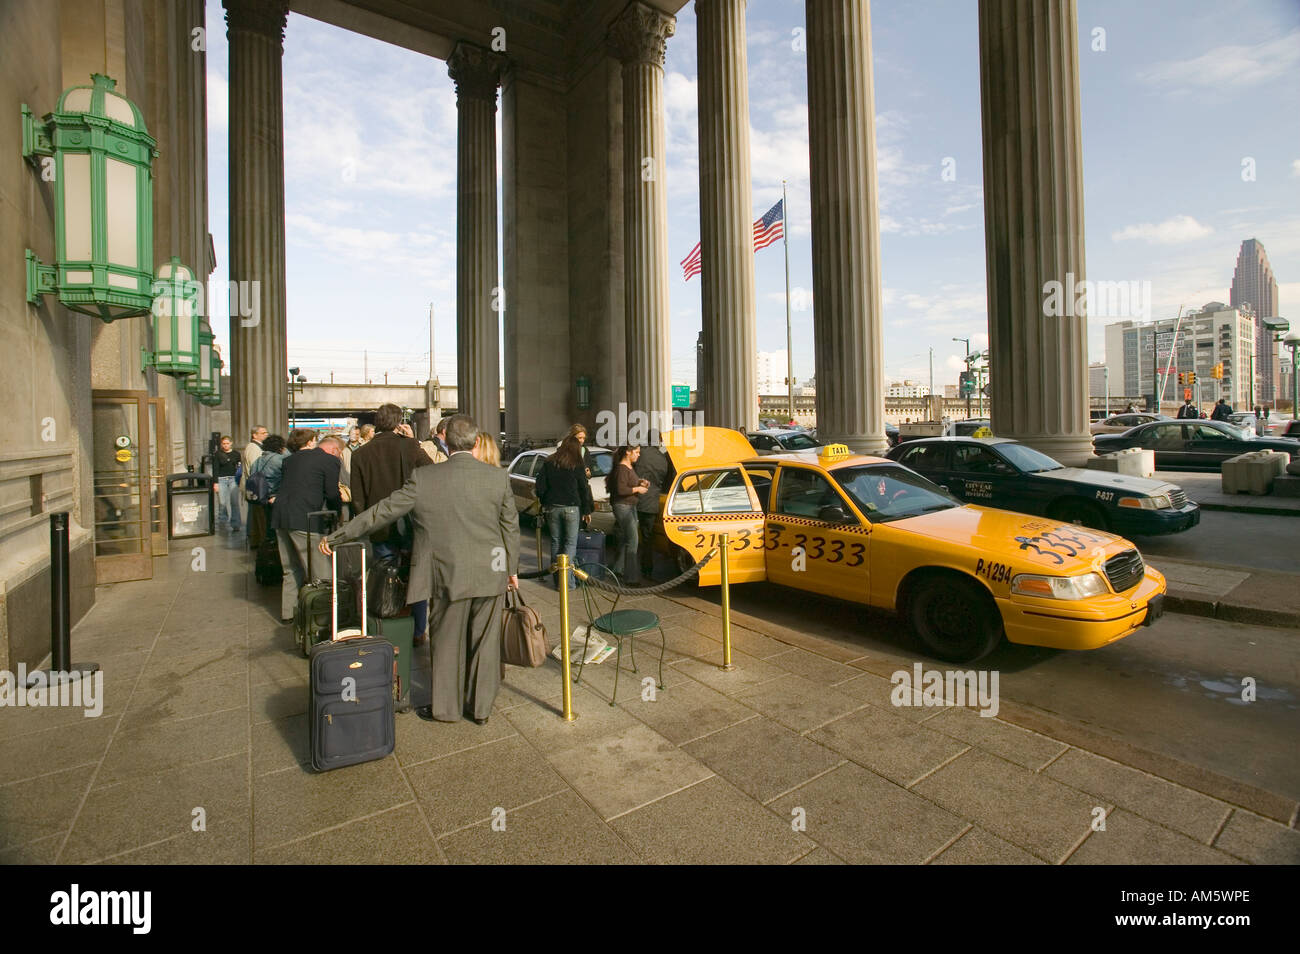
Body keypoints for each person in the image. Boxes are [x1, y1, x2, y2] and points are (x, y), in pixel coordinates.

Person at [319, 414, 518, 725]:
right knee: (485, 643)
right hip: (490, 572)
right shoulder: (497, 478)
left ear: (446, 443)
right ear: (476, 442)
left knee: (446, 643)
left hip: (444, 575)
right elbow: (510, 528)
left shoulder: (425, 479)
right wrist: (511, 569)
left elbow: (381, 512)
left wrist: (337, 536)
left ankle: (447, 709)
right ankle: (480, 709)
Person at [351, 403, 431, 642]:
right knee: (415, 577)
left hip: (380, 526)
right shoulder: (410, 447)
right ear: (399, 423)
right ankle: (417, 631)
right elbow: (433, 472)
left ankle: (389, 624)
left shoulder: (360, 454)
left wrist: (369, 522)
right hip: (412, 523)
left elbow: (357, 499)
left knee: (384, 574)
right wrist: (413, 441)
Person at [270, 428, 342, 624]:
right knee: (320, 571)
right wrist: (339, 515)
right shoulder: (330, 461)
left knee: (290, 568)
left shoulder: (288, 460)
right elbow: (332, 493)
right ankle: (324, 618)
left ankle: (289, 613)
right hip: (305, 519)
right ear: (335, 450)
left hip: (280, 516)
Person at [536, 436, 592, 589]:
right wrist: (586, 510)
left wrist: (544, 500)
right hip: (572, 507)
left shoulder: (549, 462)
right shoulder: (577, 464)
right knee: (570, 544)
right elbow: (583, 488)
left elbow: (540, 486)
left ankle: (557, 580)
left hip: (552, 507)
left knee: (556, 542)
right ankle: (567, 583)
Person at [607, 446, 648, 584]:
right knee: (633, 541)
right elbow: (621, 489)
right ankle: (631, 577)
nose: (638, 455)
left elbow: (626, 484)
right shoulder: (622, 468)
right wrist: (638, 488)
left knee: (627, 539)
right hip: (624, 506)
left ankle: (618, 569)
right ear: (628, 452)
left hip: (629, 506)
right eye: (636, 452)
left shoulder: (628, 467)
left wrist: (640, 483)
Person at [633, 442, 668, 581]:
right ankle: (647, 568)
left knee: (633, 536)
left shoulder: (640, 454)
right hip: (653, 500)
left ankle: (630, 567)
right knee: (648, 536)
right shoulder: (662, 458)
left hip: (637, 498)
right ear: (659, 442)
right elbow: (665, 480)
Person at [212, 436, 243, 533]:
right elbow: (215, 469)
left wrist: (240, 480)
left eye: (227, 443)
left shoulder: (236, 454)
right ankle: (223, 522)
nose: (225, 445)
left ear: (231, 443)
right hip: (221, 479)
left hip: (233, 479)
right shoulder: (217, 454)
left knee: (234, 502)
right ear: (221, 444)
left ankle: (236, 524)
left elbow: (239, 467)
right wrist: (215, 483)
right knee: (222, 503)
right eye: (223, 444)